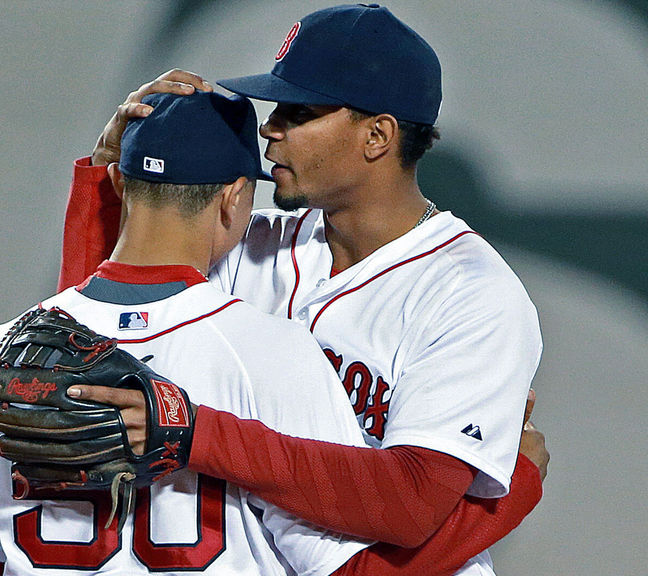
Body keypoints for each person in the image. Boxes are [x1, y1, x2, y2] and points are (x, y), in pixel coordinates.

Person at [0, 91, 541, 576]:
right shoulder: (274, 347)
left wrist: (108, 179)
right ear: (234, 199)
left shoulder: (4, 351)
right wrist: (512, 489)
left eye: (299, 112)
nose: (273, 129)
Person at [56, 4, 548, 575]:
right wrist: (110, 180)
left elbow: (410, 503)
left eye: (300, 111)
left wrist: (193, 432)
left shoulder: (470, 295)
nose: (270, 127)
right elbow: (85, 354)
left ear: (377, 136)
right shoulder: (242, 243)